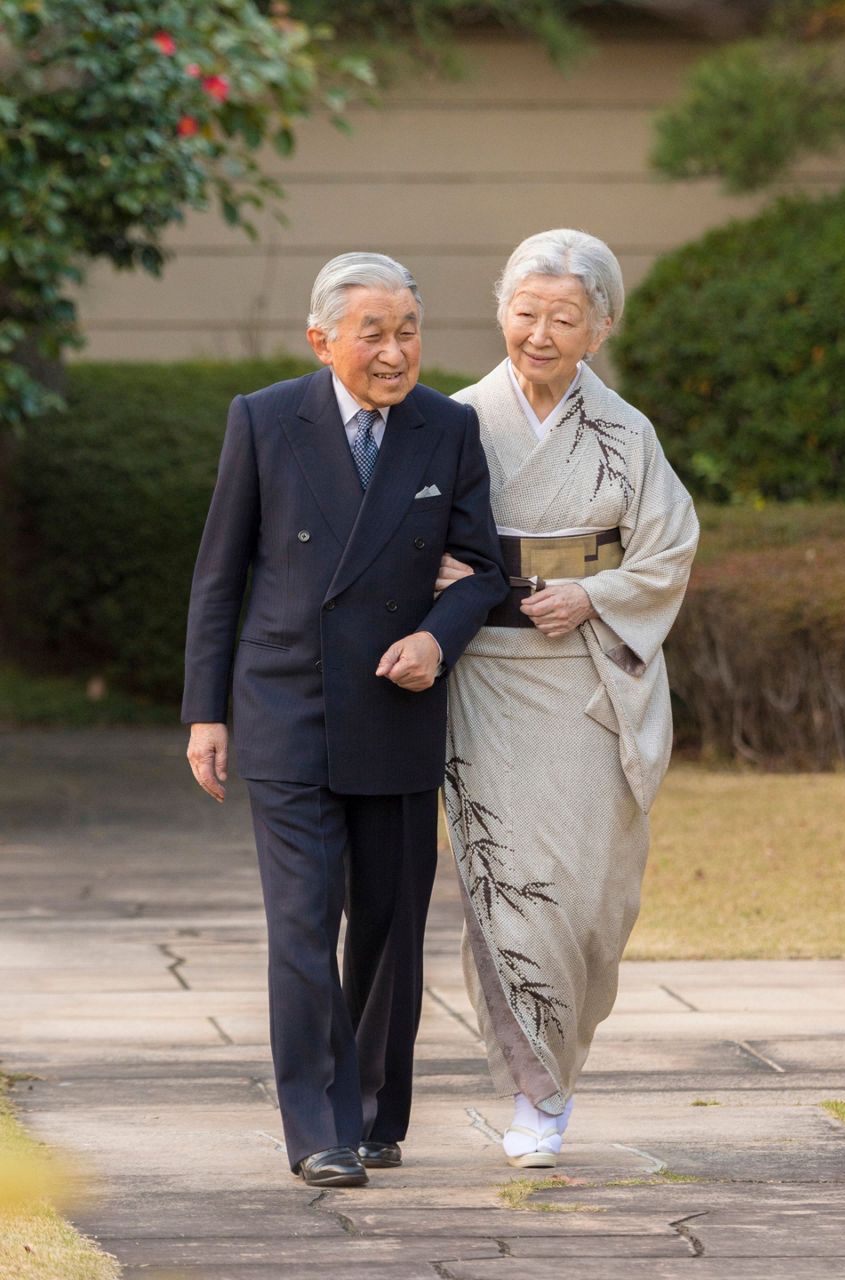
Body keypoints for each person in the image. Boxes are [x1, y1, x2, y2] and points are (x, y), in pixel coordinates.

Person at [182, 252, 507, 1188]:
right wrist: (205, 712)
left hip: (398, 705)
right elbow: (219, 576)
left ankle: (371, 1113)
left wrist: (437, 637)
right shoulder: (264, 418)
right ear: (322, 341)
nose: (396, 352)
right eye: (375, 334)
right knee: (301, 921)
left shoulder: (448, 426)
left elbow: (483, 568)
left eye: (409, 331)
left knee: (389, 927)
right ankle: (316, 1127)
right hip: (288, 701)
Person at [436, 229, 699, 1168]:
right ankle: (534, 1093)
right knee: (513, 893)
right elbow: (404, 531)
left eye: (563, 318)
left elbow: (668, 550)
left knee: (590, 901)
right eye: (525, 313)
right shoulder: (455, 421)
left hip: (589, 682)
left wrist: (594, 594)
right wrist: (433, 575)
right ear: (501, 313)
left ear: (600, 328)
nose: (539, 334)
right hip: (488, 678)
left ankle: (562, 1065)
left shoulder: (628, 434)